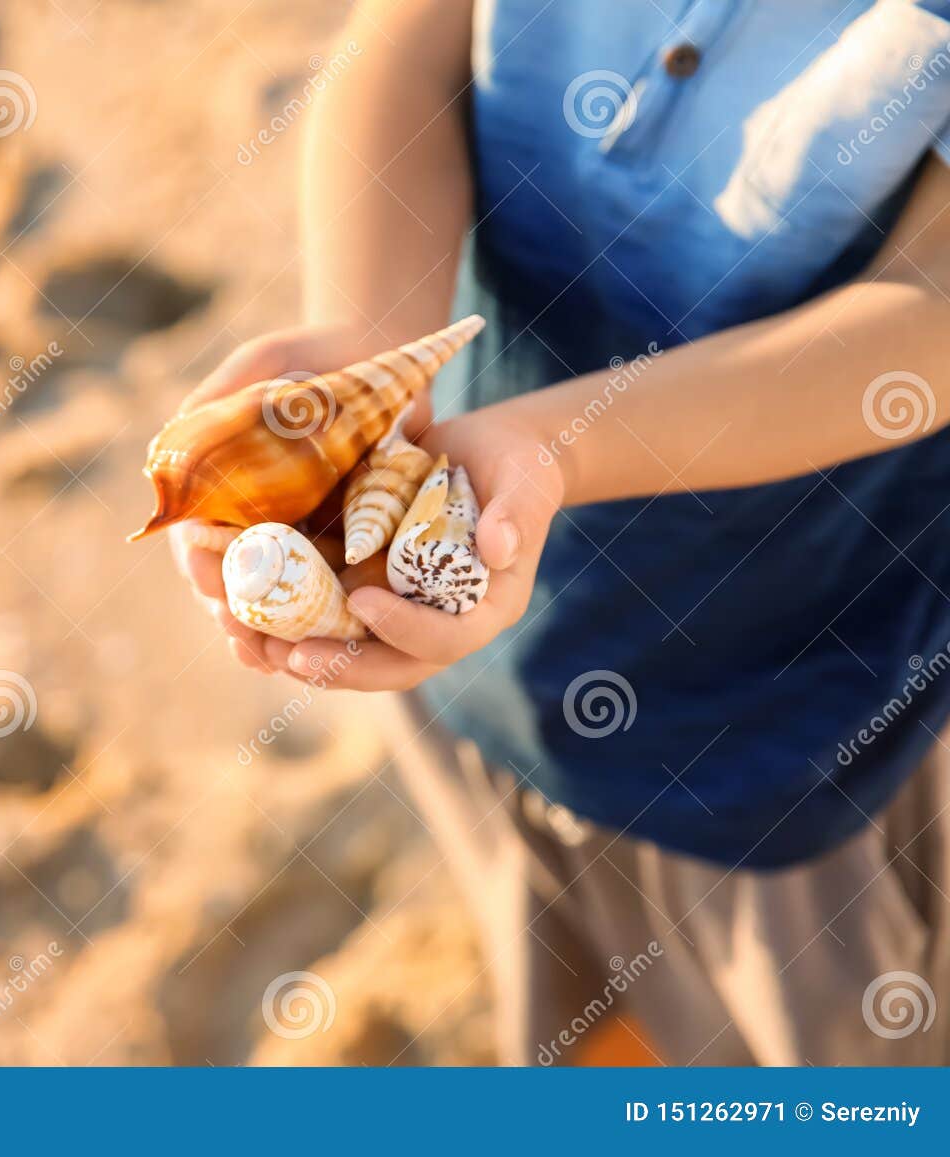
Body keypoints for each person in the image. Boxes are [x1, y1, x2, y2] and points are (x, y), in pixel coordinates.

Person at [171, 0, 950, 1064]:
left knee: (805, 1048)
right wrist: (365, 350)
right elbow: (407, 35)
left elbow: (931, 303)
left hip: (773, 695)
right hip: (476, 612)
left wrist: (558, 451)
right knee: (564, 984)